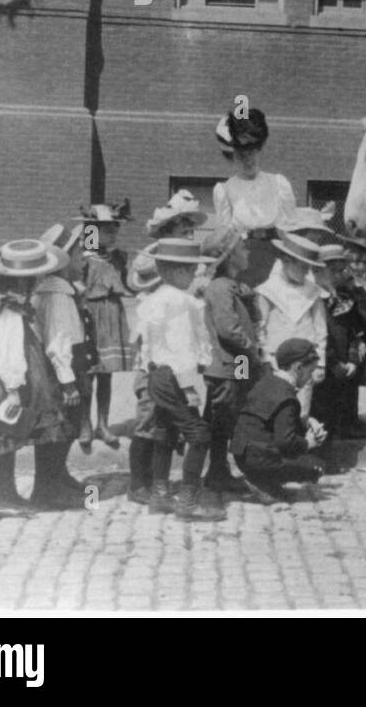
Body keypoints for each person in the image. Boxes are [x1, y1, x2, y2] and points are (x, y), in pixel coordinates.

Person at [0, 237, 82, 518]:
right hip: (3, 378)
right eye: (32, 278)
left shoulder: (1, 301)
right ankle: (1, 497)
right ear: (24, 280)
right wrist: (13, 389)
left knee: (4, 432)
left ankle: (4, 494)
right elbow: (8, 352)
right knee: (4, 430)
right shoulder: (9, 308)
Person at [135, 237, 226, 522]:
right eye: (191, 270)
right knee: (199, 434)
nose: (194, 275)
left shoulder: (152, 300)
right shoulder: (184, 304)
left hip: (156, 374)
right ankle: (189, 499)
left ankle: (160, 493)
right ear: (176, 272)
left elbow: (146, 344)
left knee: (164, 430)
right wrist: (189, 388)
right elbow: (181, 348)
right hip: (176, 377)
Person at [30, 221, 97, 508]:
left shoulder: (63, 288)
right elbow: (57, 341)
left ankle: (56, 475)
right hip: (63, 368)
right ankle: (47, 487)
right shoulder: (56, 293)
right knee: (58, 427)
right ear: (64, 261)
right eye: (80, 257)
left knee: (67, 426)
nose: (84, 263)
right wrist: (68, 380)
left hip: (71, 364)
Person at [200, 225, 263, 494]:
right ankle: (216, 472)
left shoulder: (234, 287)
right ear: (228, 257)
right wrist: (253, 350)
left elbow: (251, 321)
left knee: (232, 413)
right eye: (241, 248)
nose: (247, 251)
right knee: (222, 418)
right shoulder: (220, 288)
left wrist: (250, 302)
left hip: (238, 364)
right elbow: (228, 329)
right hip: (228, 365)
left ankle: (220, 470)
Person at [231, 338, 330, 502]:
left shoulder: (268, 381)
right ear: (298, 368)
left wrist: (308, 421)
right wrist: (309, 443)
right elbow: (285, 442)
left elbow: (274, 419)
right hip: (258, 459)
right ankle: (260, 481)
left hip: (242, 453)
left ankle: (266, 483)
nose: (311, 377)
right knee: (317, 466)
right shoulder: (288, 397)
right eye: (310, 371)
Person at [214, 107, 297, 286]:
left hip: (277, 256)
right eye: (241, 155)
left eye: (251, 153)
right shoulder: (224, 190)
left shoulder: (278, 183)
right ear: (232, 156)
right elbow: (225, 237)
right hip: (245, 260)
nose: (248, 160)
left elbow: (291, 227)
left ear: (258, 150)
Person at [256, 230, 333, 416]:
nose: (307, 271)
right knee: (276, 409)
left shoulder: (313, 292)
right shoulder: (268, 290)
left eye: (309, 267)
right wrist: (265, 359)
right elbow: (260, 328)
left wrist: (320, 363)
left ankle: (299, 442)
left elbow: (320, 329)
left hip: (304, 363)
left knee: (301, 412)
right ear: (286, 260)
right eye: (303, 266)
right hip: (276, 362)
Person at [78, 200, 133, 450]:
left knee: (106, 373)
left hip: (111, 314)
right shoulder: (83, 259)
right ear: (92, 230)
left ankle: (103, 423)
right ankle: (84, 424)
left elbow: (129, 285)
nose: (113, 234)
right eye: (107, 229)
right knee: (88, 373)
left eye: (115, 229)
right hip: (89, 316)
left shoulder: (118, 258)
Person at [316, 250, 366, 440]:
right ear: (320, 271)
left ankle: (348, 422)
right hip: (327, 359)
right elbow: (319, 335)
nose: (337, 276)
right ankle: (332, 428)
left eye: (340, 271)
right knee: (327, 396)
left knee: (348, 389)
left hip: (345, 356)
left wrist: (352, 357)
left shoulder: (343, 296)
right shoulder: (315, 300)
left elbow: (352, 329)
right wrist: (333, 361)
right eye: (332, 271)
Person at [125, 248, 162, 504]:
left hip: (153, 372)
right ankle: (138, 483)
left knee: (155, 426)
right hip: (150, 372)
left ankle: (149, 479)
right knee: (146, 427)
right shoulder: (149, 305)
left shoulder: (151, 301)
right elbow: (148, 346)